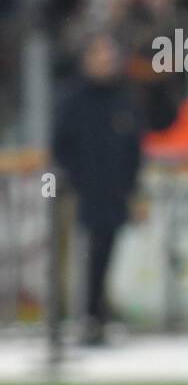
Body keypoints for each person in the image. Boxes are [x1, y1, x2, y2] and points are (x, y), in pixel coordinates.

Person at [52, 33, 142, 346]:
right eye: (100, 55)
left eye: (109, 55)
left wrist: (132, 189)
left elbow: (134, 149)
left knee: (105, 253)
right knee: (81, 255)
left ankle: (96, 314)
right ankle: (80, 317)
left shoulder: (122, 97)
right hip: (81, 193)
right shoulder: (73, 98)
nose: (106, 62)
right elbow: (60, 146)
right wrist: (75, 182)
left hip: (114, 192)